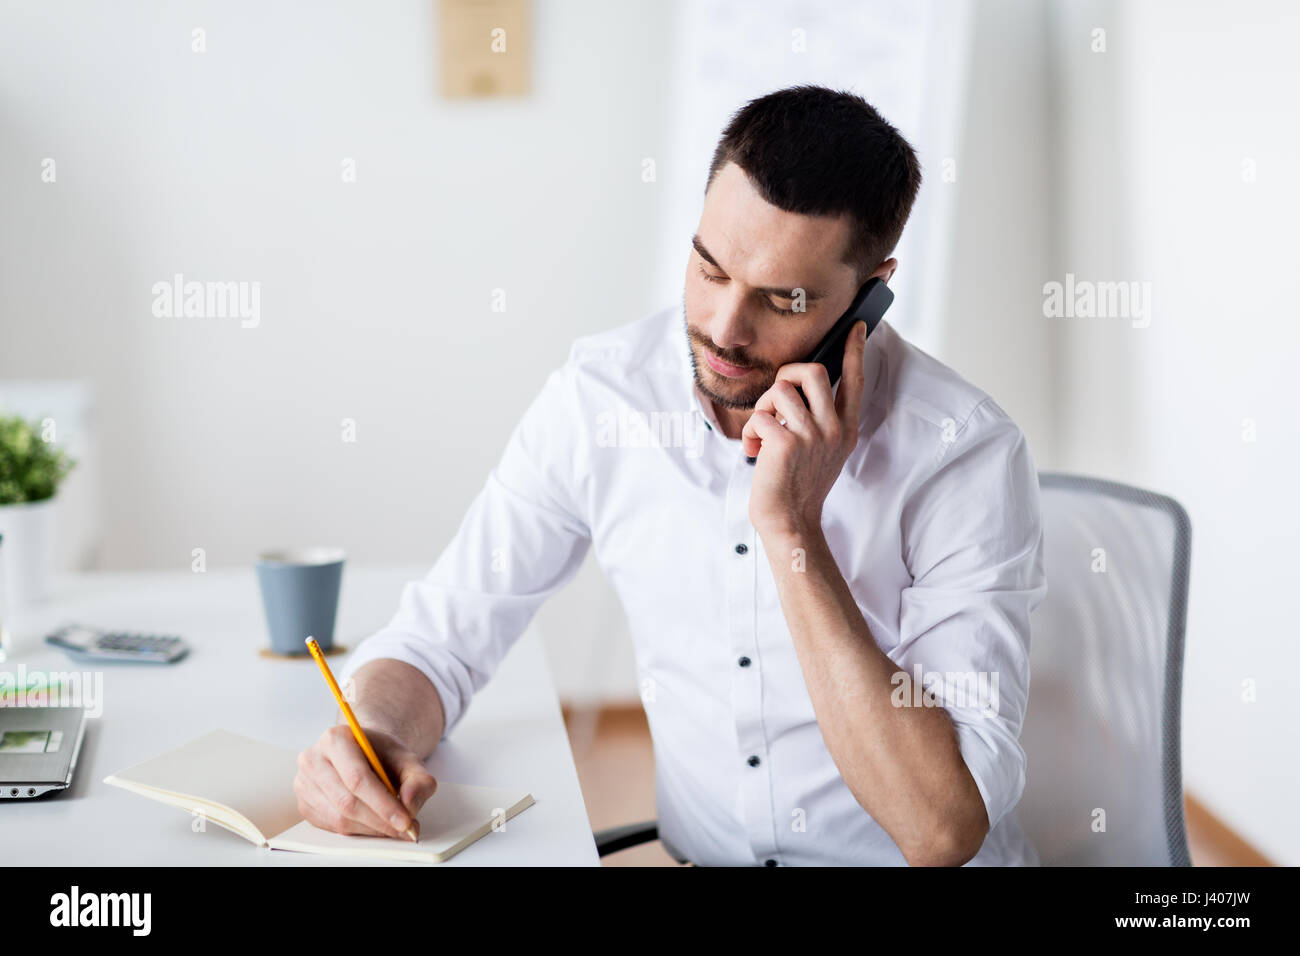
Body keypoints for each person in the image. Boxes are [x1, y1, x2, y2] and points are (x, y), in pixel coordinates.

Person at [294, 84, 1046, 866]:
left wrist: (792, 529)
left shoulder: (961, 453)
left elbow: (940, 830)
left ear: (872, 293)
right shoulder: (603, 397)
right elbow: (440, 638)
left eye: (782, 299)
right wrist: (369, 738)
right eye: (710, 269)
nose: (724, 329)